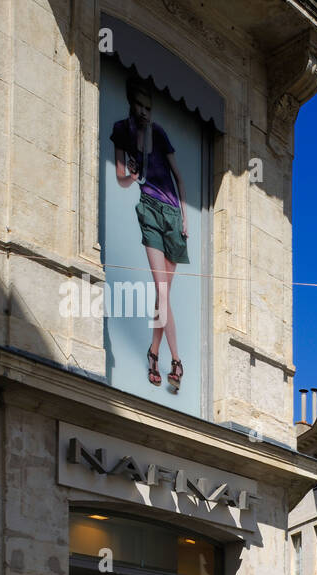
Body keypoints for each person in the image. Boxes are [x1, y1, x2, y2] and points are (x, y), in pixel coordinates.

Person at [110, 77, 190, 394]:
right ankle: (177, 360)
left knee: (163, 295)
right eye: (139, 105)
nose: (144, 112)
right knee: (162, 289)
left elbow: (179, 178)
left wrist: (185, 220)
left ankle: (153, 353)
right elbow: (121, 177)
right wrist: (132, 173)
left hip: (173, 216)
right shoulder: (122, 131)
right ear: (131, 103)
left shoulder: (158, 133)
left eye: (148, 106)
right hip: (149, 210)